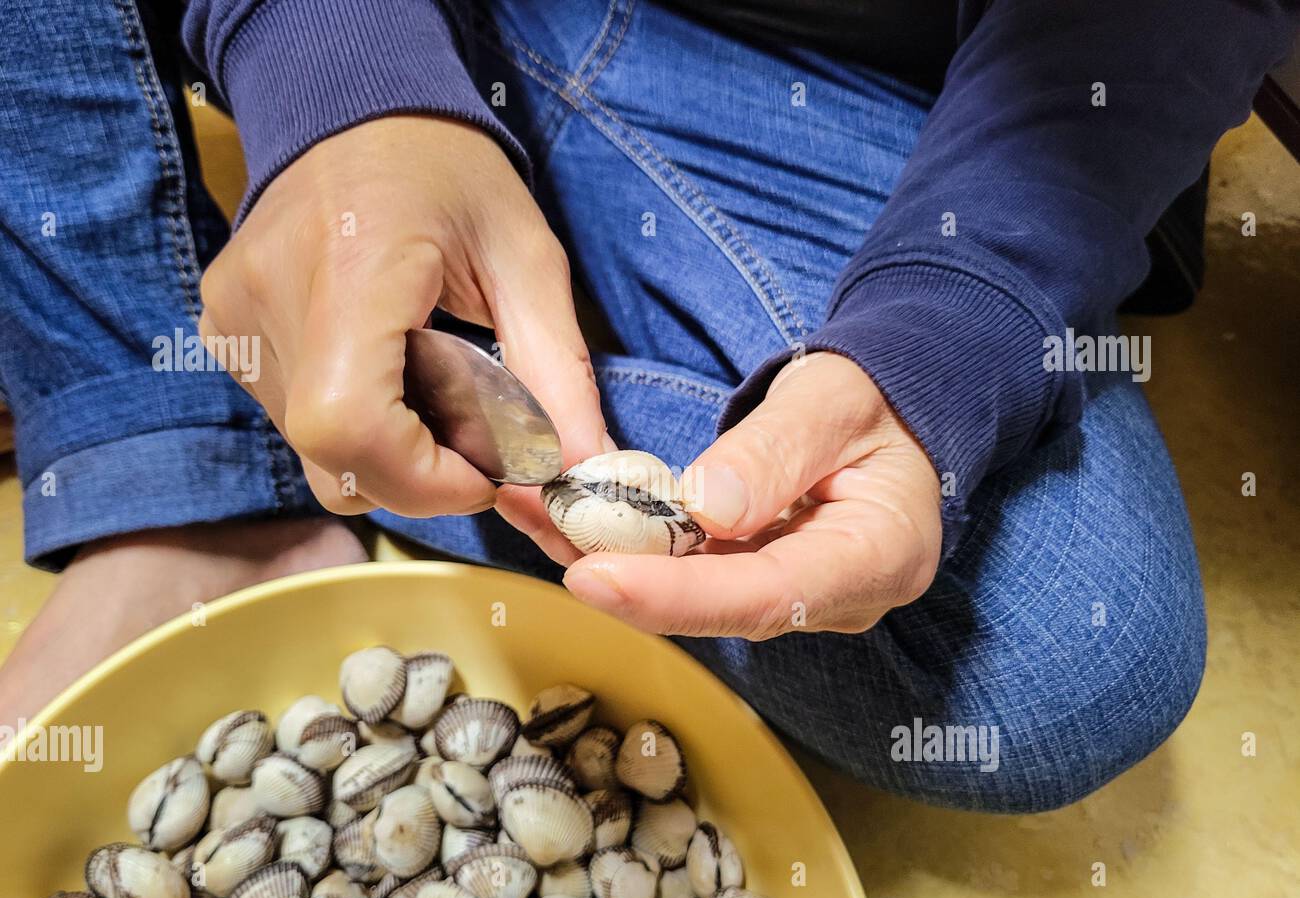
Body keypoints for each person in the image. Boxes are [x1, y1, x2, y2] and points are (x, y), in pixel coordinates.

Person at [0, 0, 1294, 812]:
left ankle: (302, 367)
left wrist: (948, 328)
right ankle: (165, 443)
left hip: (902, 73)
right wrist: (333, 64)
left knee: (1060, 660)